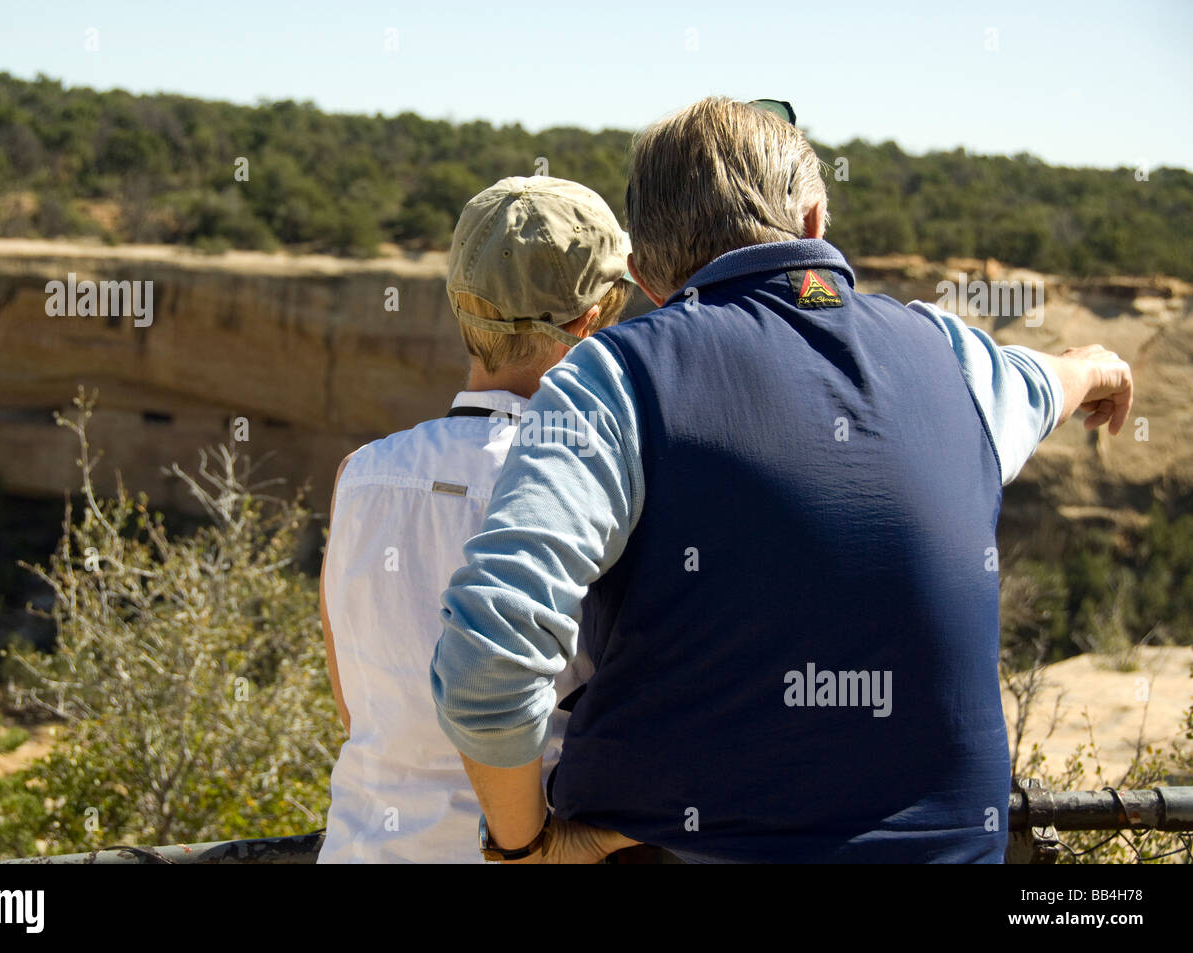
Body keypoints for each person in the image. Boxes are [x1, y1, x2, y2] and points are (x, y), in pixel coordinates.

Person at [430, 97, 1135, 863]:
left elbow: (491, 649)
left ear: (644, 275)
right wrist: (1096, 367)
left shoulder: (618, 377)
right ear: (813, 220)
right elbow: (1041, 382)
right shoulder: (957, 362)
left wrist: (526, 844)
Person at [317, 176, 631, 862]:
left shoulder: (359, 477)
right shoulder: (595, 488)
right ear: (589, 320)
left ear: (461, 304)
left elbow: (357, 710)